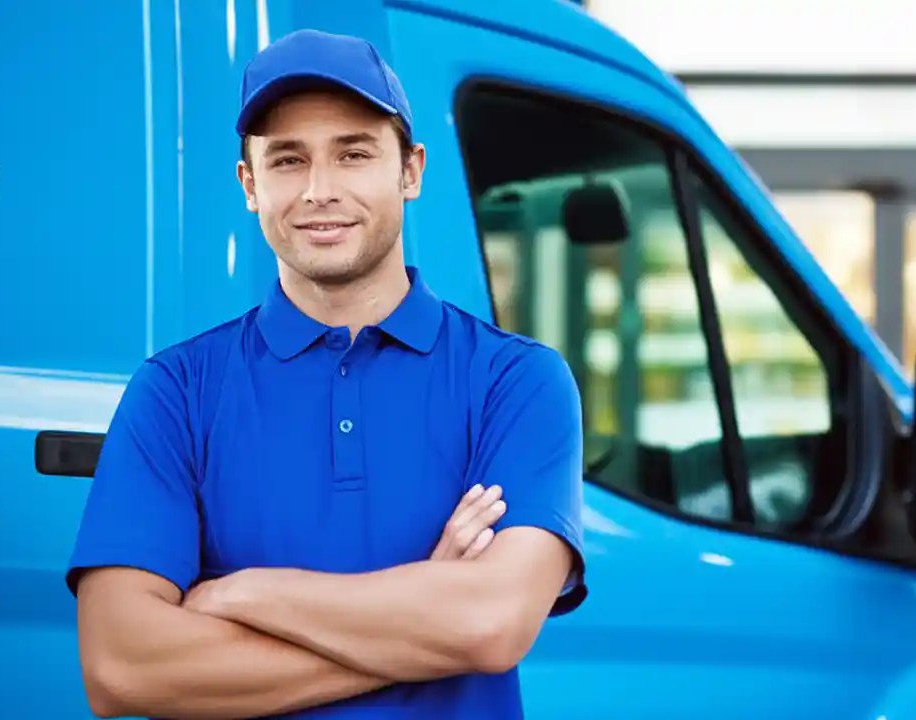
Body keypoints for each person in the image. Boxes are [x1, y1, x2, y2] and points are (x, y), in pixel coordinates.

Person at [65, 28, 586, 719]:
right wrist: (426, 608)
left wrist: (245, 594)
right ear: (250, 185)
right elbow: (122, 668)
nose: (319, 190)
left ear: (410, 170)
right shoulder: (175, 392)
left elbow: (490, 626)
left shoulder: (517, 383)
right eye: (287, 160)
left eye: (354, 154)